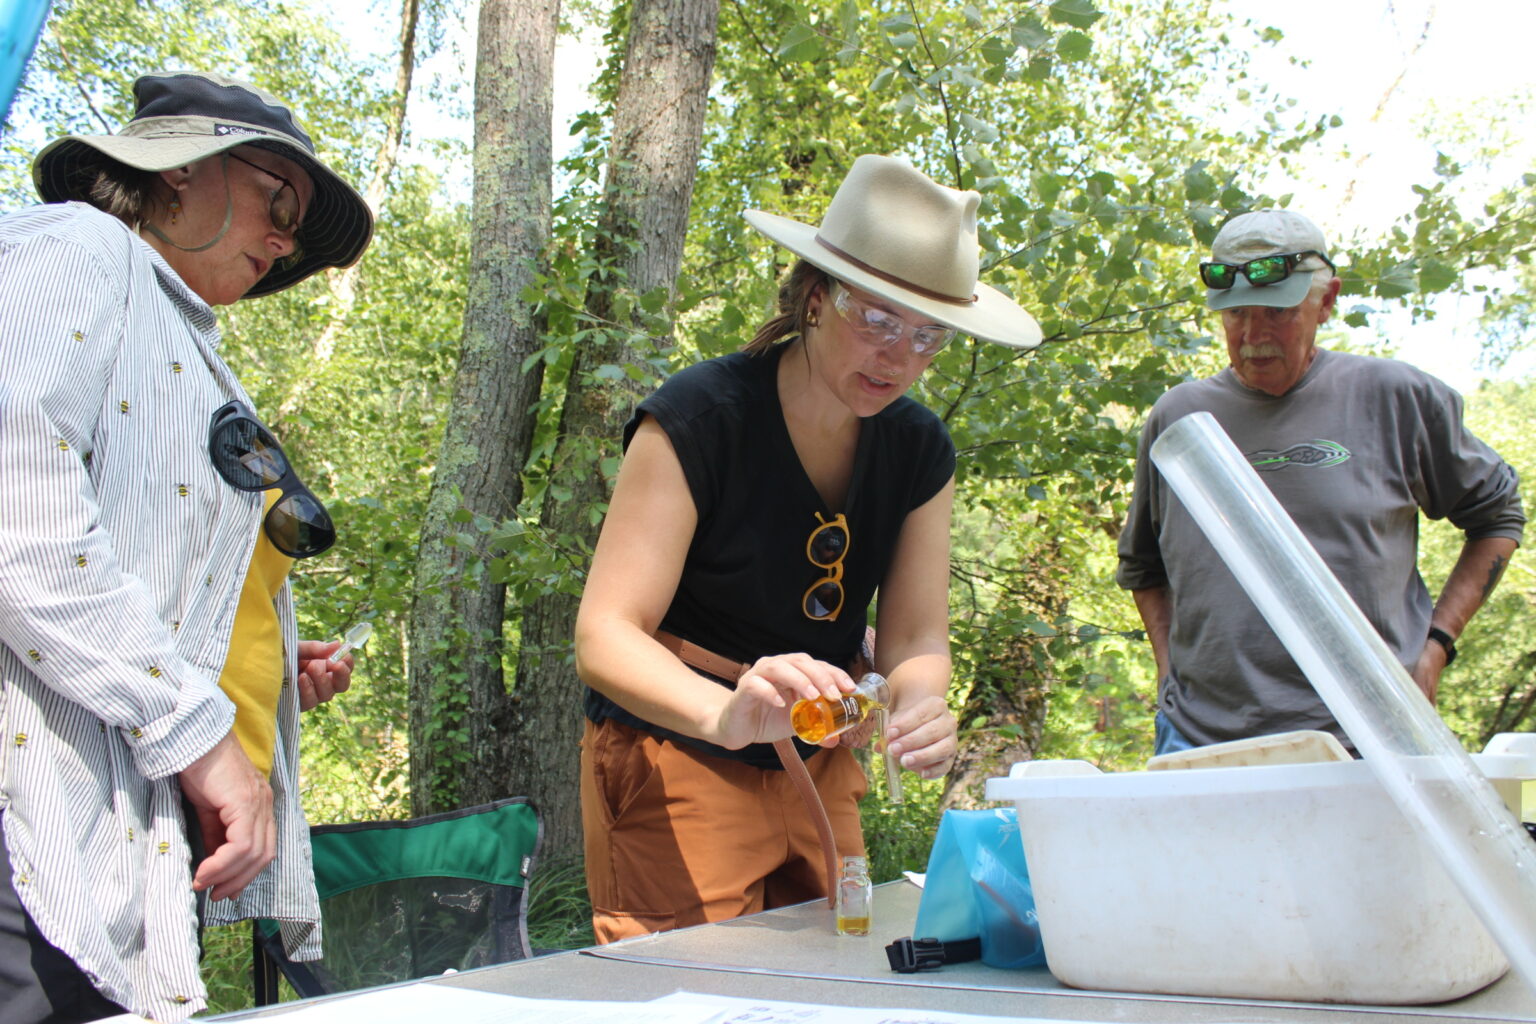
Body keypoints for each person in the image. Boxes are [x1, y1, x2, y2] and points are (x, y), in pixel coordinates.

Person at [573, 154, 1041, 943]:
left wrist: (919, 705)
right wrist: (724, 715)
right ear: (816, 299)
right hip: (676, 757)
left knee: (838, 971)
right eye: (879, 320)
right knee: (695, 989)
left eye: (928, 335)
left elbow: (916, 640)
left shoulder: (920, 450)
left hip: (819, 762)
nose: (899, 356)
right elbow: (605, 634)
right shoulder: (699, 419)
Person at [0, 71, 374, 1023]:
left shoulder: (185, 345)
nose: (285, 241)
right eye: (278, 203)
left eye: (296, 228)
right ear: (178, 171)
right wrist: (197, 733)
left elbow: (150, 573)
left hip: (118, 825)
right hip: (28, 809)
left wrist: (263, 668)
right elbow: (18, 517)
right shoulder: (77, 247)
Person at [1117, 209, 1524, 755]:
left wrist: (1436, 648)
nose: (1253, 336)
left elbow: (1497, 517)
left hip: (1374, 739)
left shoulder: (1396, 399)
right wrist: (1169, 673)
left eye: (1276, 312)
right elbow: (1143, 565)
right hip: (1199, 738)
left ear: (1326, 300)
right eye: (1236, 314)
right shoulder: (1179, 419)